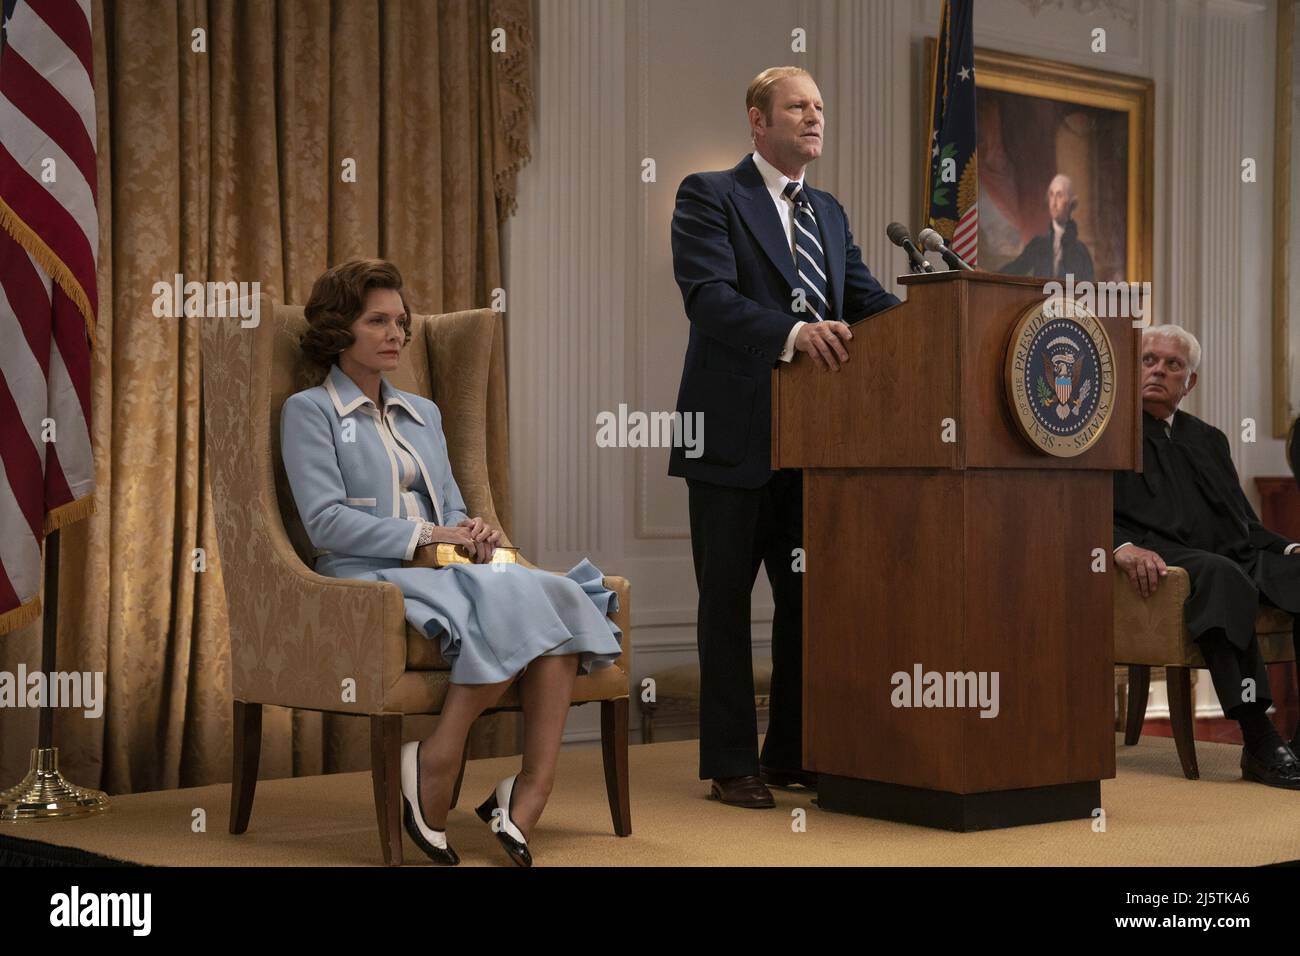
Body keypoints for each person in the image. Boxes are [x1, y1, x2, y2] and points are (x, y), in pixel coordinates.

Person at [280, 259, 623, 864]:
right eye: (377, 321)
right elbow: (324, 522)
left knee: (559, 593)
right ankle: (440, 755)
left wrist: (473, 531)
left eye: (401, 322)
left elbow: (454, 505)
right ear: (340, 330)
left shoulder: (424, 413)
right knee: (514, 593)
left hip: (441, 564)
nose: (395, 335)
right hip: (365, 573)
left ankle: (530, 787)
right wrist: (425, 534)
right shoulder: (309, 411)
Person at [668, 66, 900, 809]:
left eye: (820, 107)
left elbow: (865, 301)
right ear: (757, 120)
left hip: (813, 445)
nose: (814, 117)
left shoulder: (828, 212)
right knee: (727, 603)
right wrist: (795, 332)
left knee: (808, 602)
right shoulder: (709, 195)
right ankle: (732, 763)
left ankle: (793, 752)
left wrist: (941, 317)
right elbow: (709, 301)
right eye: (798, 105)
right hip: (732, 436)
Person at [1114, 324, 1300, 789]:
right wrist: (1120, 547)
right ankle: (1258, 740)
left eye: (1172, 364)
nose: (1158, 370)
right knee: (1223, 577)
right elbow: (1076, 510)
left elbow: (1242, 522)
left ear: (1189, 381)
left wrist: (1287, 548)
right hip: (1170, 555)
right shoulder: (1106, 432)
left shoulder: (1209, 438)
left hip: (1233, 552)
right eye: (1148, 360)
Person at [999, 173, 1095, 281]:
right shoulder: (1038, 245)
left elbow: (1088, 291)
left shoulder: (1081, 252)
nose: (1053, 203)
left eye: (1059, 195)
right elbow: (1014, 269)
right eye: (1051, 195)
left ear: (1071, 203)